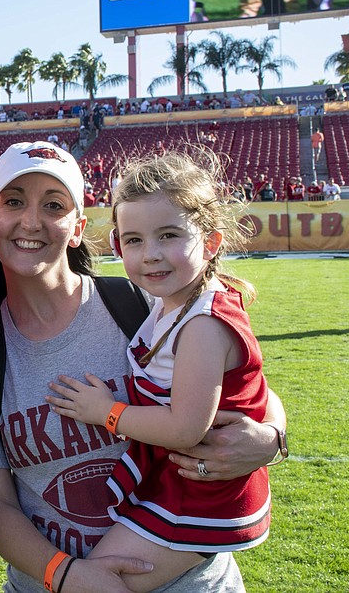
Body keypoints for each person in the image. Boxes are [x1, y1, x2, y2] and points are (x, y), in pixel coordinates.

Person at [0, 141, 287, 593]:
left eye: (53, 205)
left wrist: (272, 437)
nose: (32, 221)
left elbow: (246, 386)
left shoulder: (146, 303)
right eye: (14, 202)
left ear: (77, 228)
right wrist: (65, 575)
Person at [48, 152, 273, 591]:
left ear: (210, 242)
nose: (150, 255)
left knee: (103, 580)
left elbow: (186, 428)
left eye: (168, 235)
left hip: (199, 496)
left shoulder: (204, 323)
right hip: (178, 483)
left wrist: (105, 412)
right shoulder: (171, 303)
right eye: (133, 240)